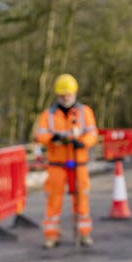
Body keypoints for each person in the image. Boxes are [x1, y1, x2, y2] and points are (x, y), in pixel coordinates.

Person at [34, 74, 98, 249]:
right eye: (62, 95)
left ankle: (84, 234)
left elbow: (93, 134)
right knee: (53, 200)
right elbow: (40, 135)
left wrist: (82, 142)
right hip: (57, 164)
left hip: (79, 163)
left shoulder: (85, 112)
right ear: (57, 95)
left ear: (74, 93)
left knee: (81, 199)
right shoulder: (48, 114)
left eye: (68, 94)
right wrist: (53, 137)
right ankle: (51, 235)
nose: (66, 98)